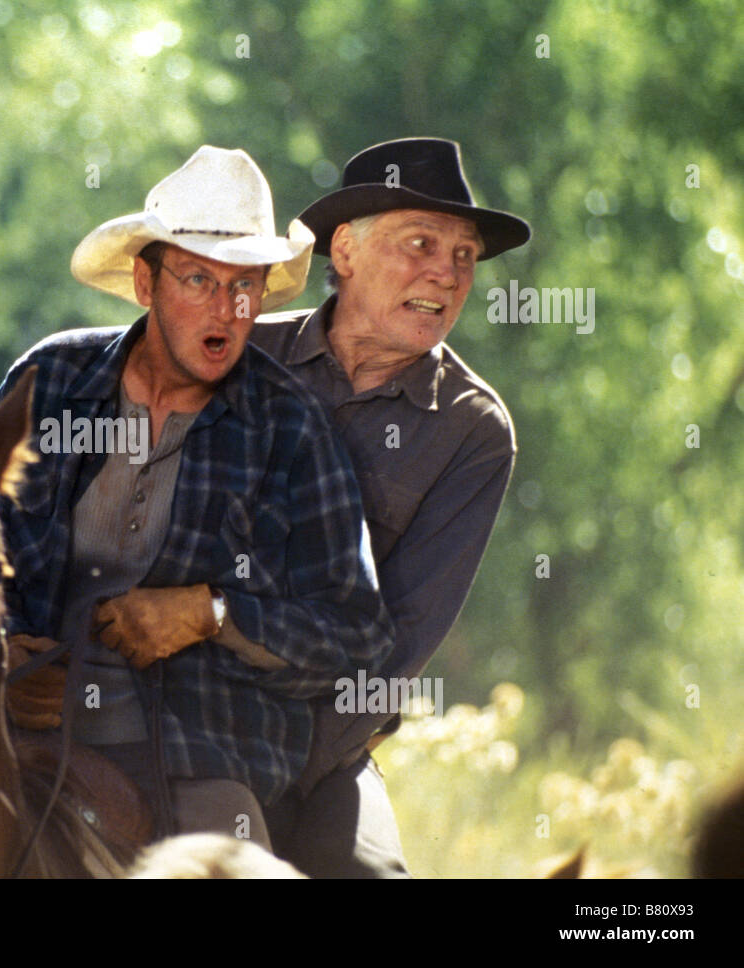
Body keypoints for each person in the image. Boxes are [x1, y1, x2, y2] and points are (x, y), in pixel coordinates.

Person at [0, 146, 394, 848]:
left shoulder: (290, 428)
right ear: (145, 282)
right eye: (199, 279)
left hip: (197, 757)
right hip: (9, 730)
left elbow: (358, 641)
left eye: (247, 286)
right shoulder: (48, 380)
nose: (227, 308)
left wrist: (213, 613)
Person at [248, 137, 531, 876]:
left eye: (465, 255)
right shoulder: (246, 354)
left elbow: (399, 643)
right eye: (420, 243)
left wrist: (285, 773)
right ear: (344, 250)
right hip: (172, 704)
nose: (448, 270)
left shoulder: (472, 429)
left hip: (325, 746)